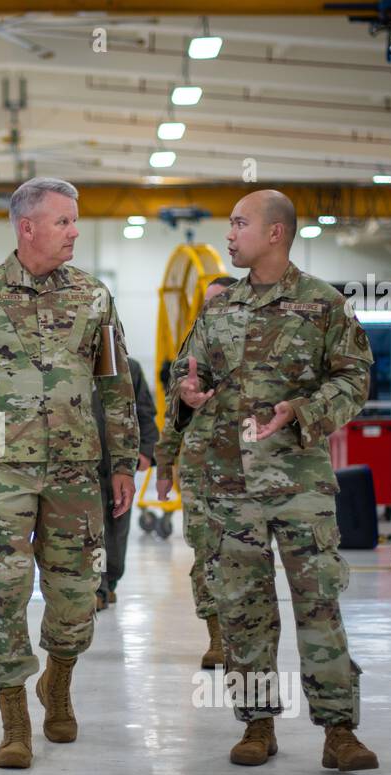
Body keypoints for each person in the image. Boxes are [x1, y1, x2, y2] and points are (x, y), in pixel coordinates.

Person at [0, 177, 138, 769]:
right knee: (1, 592)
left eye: (75, 221)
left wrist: (121, 462)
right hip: (0, 472)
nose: (74, 232)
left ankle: (58, 683)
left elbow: (116, 386)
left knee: (76, 595)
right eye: (64, 221)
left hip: (74, 471)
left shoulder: (94, 297)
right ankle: (14, 716)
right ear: (28, 227)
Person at [164, 188, 379, 772]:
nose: (229, 235)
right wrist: (186, 395)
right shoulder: (218, 308)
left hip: (298, 483)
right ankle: (257, 725)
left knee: (319, 604)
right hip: (228, 485)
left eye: (239, 224)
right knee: (243, 609)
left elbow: (355, 377)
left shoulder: (322, 305)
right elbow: (187, 376)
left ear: (275, 233)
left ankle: (339, 731)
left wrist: (302, 411)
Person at [154, 275, 236, 666]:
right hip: (201, 469)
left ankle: (246, 639)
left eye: (220, 301)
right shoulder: (191, 349)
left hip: (251, 469)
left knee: (245, 558)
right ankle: (217, 637)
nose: (211, 309)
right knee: (205, 554)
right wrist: (164, 464)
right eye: (208, 303)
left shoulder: (257, 346)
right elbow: (174, 415)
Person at [94, 355, 158, 608]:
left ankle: (111, 578)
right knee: (91, 529)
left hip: (120, 463)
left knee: (117, 529)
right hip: (83, 465)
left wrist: (145, 450)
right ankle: (97, 587)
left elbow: (145, 411)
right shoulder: (73, 364)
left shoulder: (128, 368)